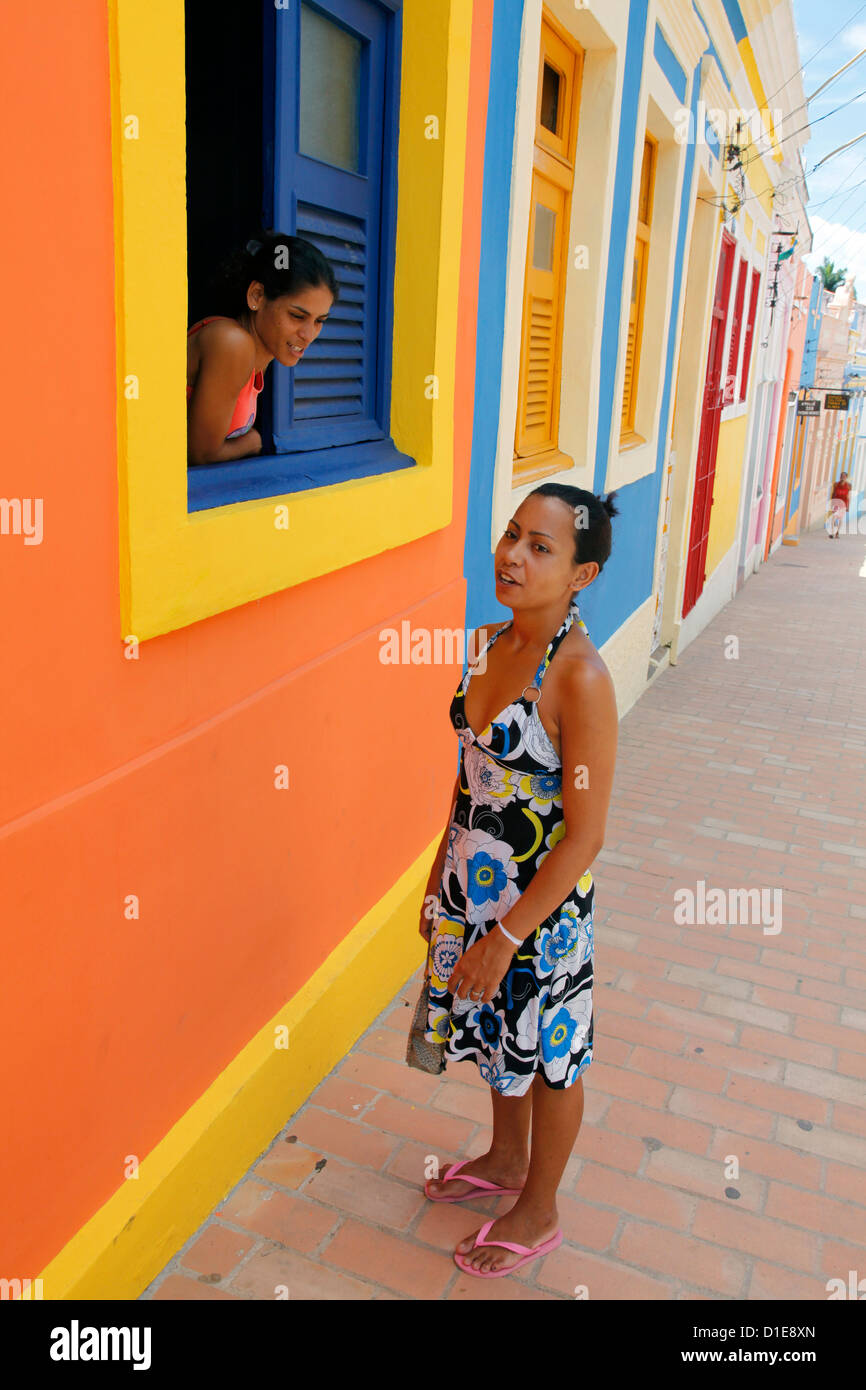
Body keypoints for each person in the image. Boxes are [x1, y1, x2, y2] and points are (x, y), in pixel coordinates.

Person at [418, 484, 619, 1278]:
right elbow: (469, 776)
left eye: (542, 548)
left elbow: (587, 832)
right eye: (512, 535)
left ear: (582, 574)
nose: (513, 555)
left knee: (550, 1054)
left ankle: (539, 1209)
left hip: (540, 914)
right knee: (502, 1038)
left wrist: (506, 938)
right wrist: (440, 876)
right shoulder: (485, 644)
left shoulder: (581, 679)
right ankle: (505, 1160)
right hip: (477, 889)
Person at [187, 232, 338, 465]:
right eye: (297, 316)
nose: (308, 335)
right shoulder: (232, 343)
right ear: (256, 295)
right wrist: (254, 441)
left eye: (319, 321)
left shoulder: (260, 358)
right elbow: (202, 454)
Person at [827, 472, 851, 539]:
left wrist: (848, 506)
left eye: (844, 476)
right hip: (836, 503)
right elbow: (833, 493)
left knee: (840, 519)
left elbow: (849, 496)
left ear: (846, 477)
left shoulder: (849, 485)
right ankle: (831, 533)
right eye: (841, 476)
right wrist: (831, 502)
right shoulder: (836, 484)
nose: (843, 477)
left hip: (843, 504)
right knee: (834, 518)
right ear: (840, 477)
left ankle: (837, 533)